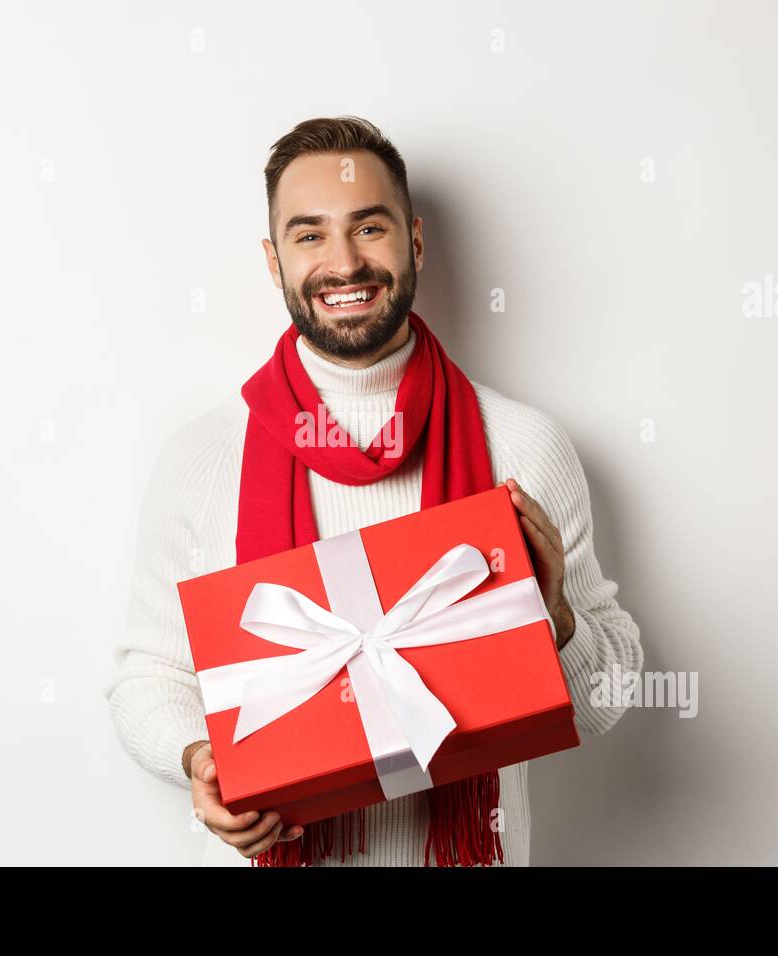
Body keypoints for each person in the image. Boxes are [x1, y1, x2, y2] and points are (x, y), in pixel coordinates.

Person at [106, 116, 642, 866]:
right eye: (309, 235)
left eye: (369, 227)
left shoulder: (522, 447)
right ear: (274, 261)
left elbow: (606, 701)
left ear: (415, 242)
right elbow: (146, 676)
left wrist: (553, 620)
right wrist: (198, 758)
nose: (345, 262)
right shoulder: (202, 457)